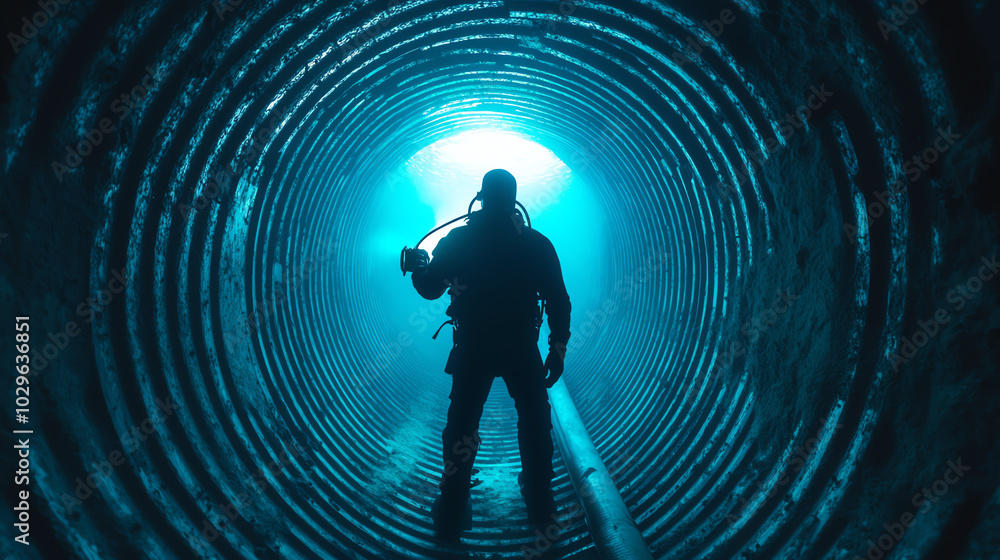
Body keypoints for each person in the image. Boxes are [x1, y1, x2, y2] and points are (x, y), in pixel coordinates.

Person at [408, 168, 571, 542]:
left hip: (474, 347)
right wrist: (557, 349)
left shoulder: (460, 240)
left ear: (480, 198)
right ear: (514, 201)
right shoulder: (535, 244)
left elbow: (432, 288)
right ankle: (540, 505)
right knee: (534, 423)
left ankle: (451, 506)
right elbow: (559, 302)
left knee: (462, 427)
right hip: (520, 347)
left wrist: (417, 268)